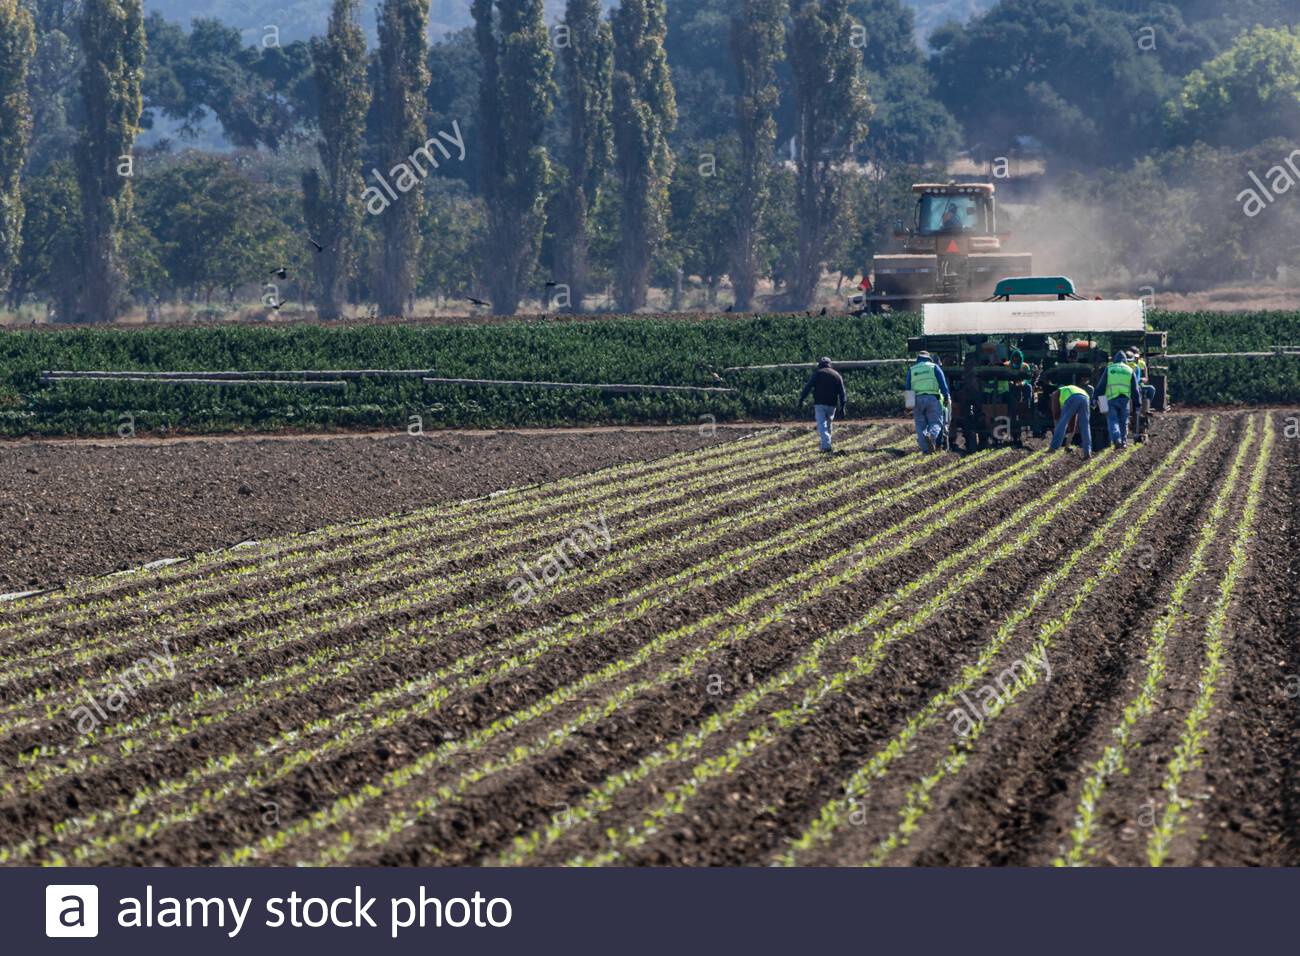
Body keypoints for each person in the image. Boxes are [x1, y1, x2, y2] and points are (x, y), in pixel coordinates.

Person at [798, 357, 847, 453]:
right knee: (828, 425)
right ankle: (827, 444)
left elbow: (808, 387)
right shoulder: (837, 375)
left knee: (822, 425)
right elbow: (842, 393)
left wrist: (801, 399)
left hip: (820, 403)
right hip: (832, 404)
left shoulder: (818, 374)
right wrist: (843, 407)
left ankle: (826, 447)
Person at [906, 351, 950, 453]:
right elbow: (943, 384)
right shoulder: (934, 367)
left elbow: (908, 388)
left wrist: (908, 406)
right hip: (932, 399)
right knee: (936, 423)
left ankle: (926, 451)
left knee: (920, 426)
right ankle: (932, 435)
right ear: (928, 358)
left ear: (918, 359)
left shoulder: (912, 370)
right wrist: (946, 397)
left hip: (917, 400)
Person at [1096, 350, 1140, 448]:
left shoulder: (1110, 369)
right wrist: (1138, 403)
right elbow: (1135, 389)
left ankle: (1117, 439)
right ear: (1125, 360)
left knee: (1113, 420)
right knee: (1123, 421)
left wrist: (1095, 397)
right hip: (1125, 399)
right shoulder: (1129, 370)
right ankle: (1124, 442)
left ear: (1115, 360)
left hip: (1111, 398)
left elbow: (1101, 386)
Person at [1050, 382, 1093, 459]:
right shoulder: (1072, 388)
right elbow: (1073, 417)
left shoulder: (1055, 393)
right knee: (1085, 426)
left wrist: (1056, 425)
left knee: (1062, 423)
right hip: (1085, 398)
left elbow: (1056, 413)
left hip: (1072, 398)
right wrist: (1071, 429)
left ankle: (1053, 448)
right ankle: (1087, 452)